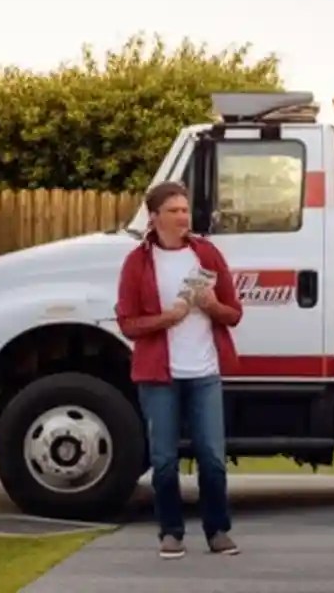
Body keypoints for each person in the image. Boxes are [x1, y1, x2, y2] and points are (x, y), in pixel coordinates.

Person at [115, 180, 244, 559]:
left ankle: (218, 531)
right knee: (164, 460)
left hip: (205, 373)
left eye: (185, 210)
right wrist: (165, 319)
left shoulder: (207, 255)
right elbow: (127, 323)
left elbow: (233, 314)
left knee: (212, 457)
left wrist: (211, 306)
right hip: (159, 377)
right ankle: (170, 533)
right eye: (173, 211)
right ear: (154, 218)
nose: (182, 217)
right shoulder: (137, 262)